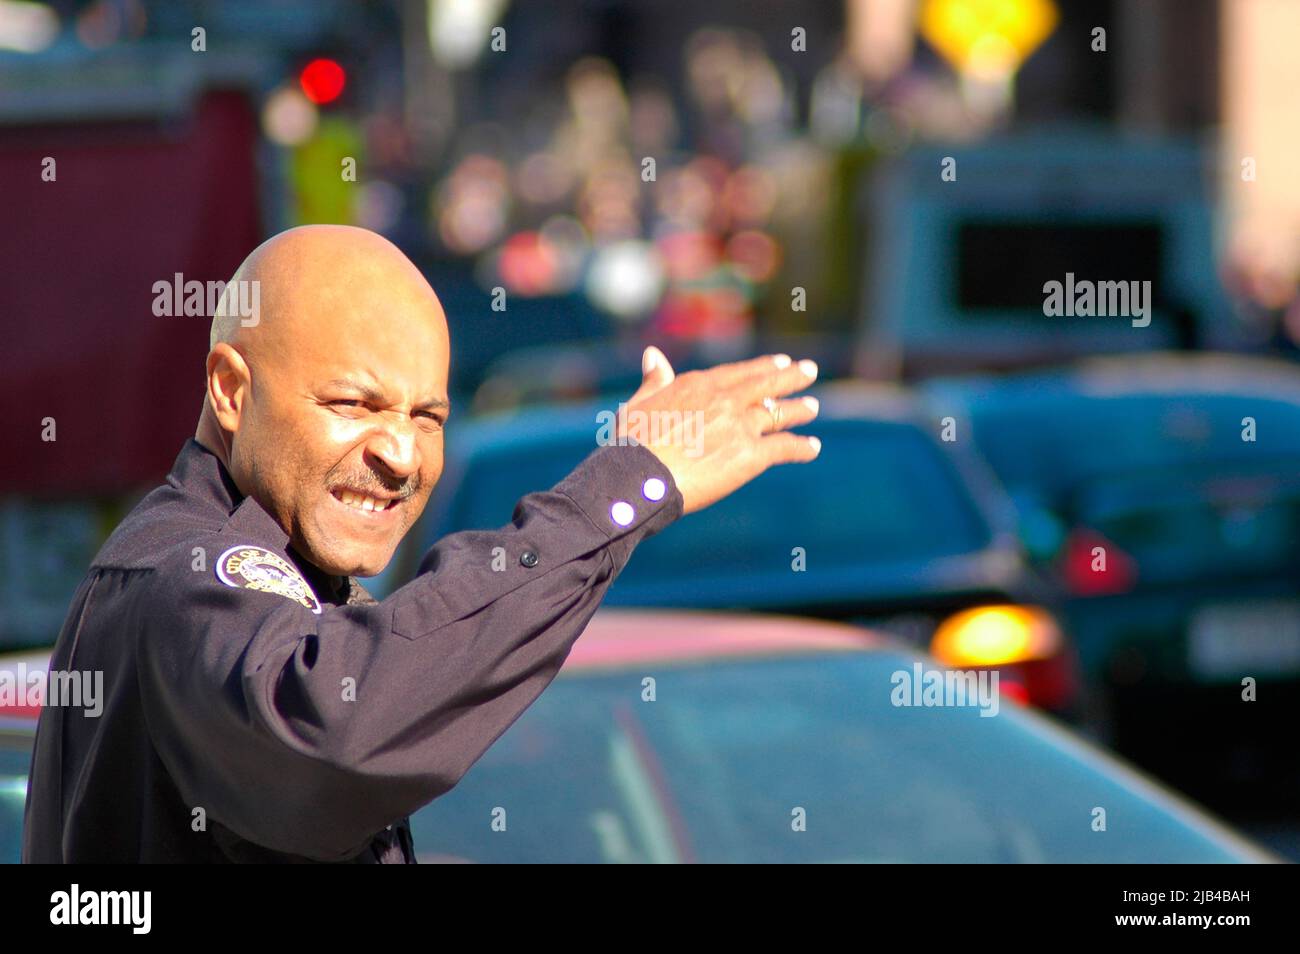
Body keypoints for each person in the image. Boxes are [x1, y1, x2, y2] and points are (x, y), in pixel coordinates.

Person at [22, 224, 821, 863]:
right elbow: (336, 723)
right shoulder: (189, 574)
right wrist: (620, 489)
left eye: (427, 417)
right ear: (231, 391)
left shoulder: (238, 576)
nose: (400, 456)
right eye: (355, 403)